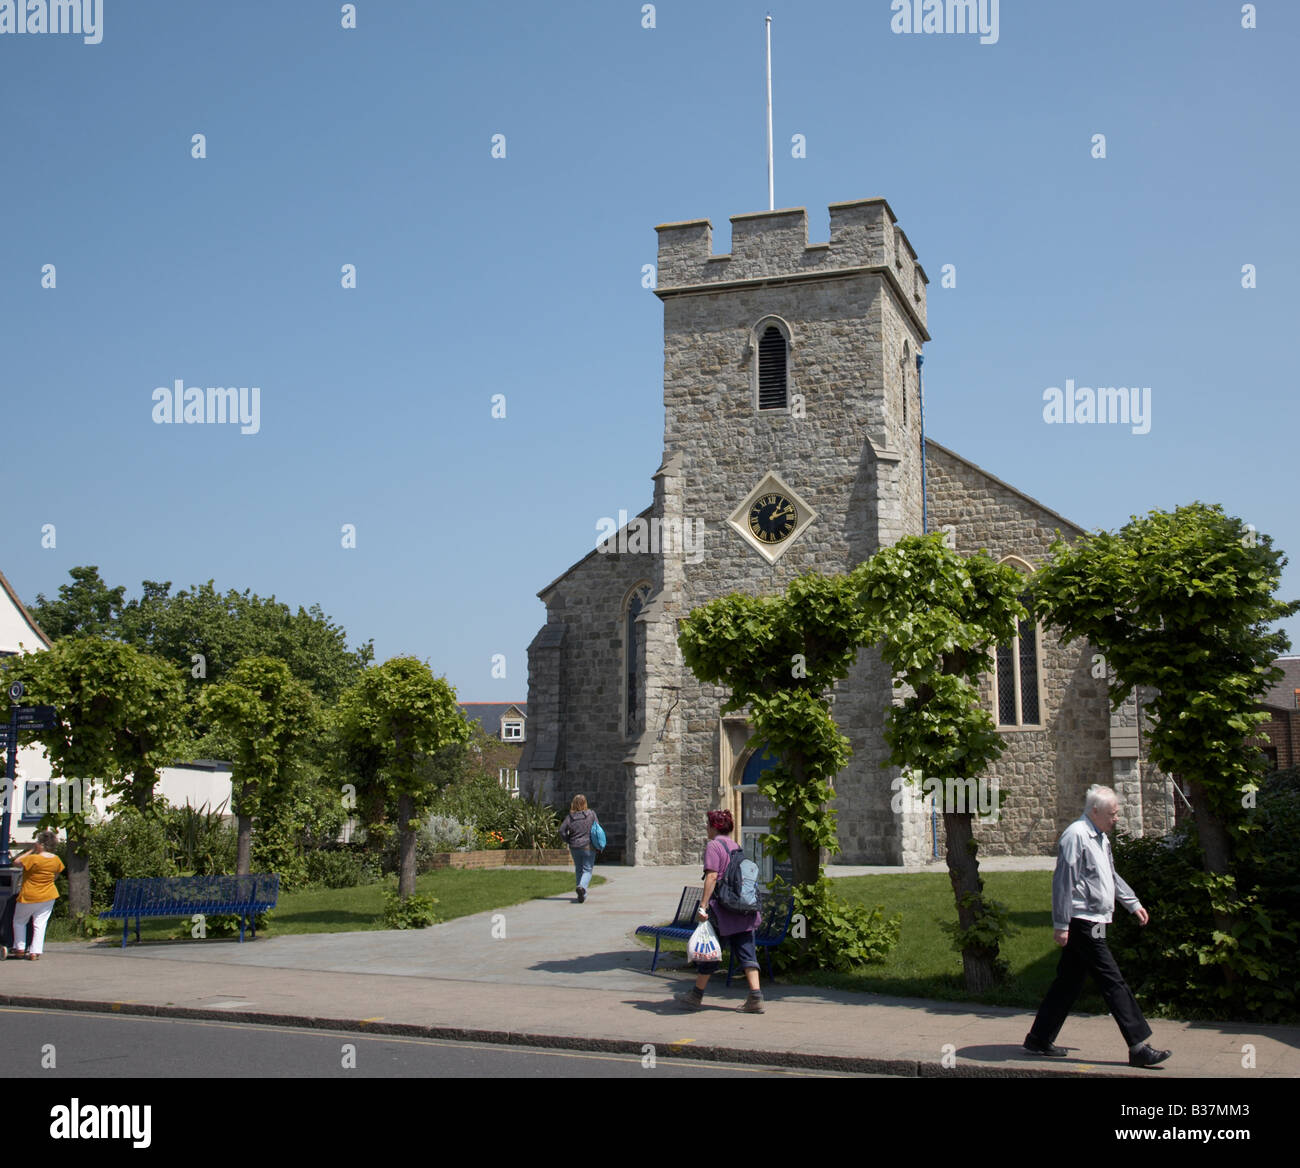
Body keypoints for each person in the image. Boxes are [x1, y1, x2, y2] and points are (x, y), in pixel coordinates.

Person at [1024, 785, 1170, 1067]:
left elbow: (1110, 876)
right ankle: (1138, 1046)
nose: (1116, 818)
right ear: (1095, 811)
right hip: (1083, 922)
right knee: (1113, 981)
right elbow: (1062, 882)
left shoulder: (1100, 838)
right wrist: (1061, 924)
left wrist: (1133, 903)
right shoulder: (1076, 836)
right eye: (1112, 813)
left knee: (1068, 982)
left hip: (1096, 920)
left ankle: (1039, 1038)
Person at [674, 809, 765, 1014]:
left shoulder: (714, 846)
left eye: (708, 825)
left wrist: (703, 906)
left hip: (724, 910)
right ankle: (755, 997)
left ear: (714, 827)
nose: (706, 828)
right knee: (747, 951)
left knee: (710, 951)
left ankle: (695, 996)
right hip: (744, 910)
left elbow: (712, 877)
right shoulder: (735, 846)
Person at [9, 830, 65, 961]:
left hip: (29, 895)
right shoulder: (56, 860)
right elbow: (55, 877)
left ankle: (20, 948)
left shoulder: (33, 858)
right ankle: (35, 951)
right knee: (40, 923)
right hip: (48, 895)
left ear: (41, 844)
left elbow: (16, 862)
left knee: (19, 921)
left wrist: (31, 850)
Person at [559, 795, 599, 903]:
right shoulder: (591, 814)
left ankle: (582, 895)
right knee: (587, 870)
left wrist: (568, 839)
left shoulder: (570, 817)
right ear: (585, 803)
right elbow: (597, 828)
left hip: (574, 846)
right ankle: (582, 887)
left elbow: (561, 830)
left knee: (578, 869)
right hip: (588, 846)